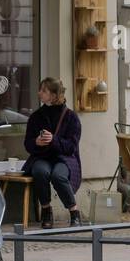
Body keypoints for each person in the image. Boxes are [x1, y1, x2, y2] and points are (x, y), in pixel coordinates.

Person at [23, 77, 83, 229]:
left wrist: (54, 140)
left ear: (54, 95)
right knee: (40, 171)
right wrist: (36, 142)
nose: (39, 93)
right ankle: (46, 211)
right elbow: (27, 144)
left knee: (58, 175)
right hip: (42, 156)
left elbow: (71, 147)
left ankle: (74, 212)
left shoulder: (71, 117)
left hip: (63, 158)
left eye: (44, 90)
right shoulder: (36, 116)